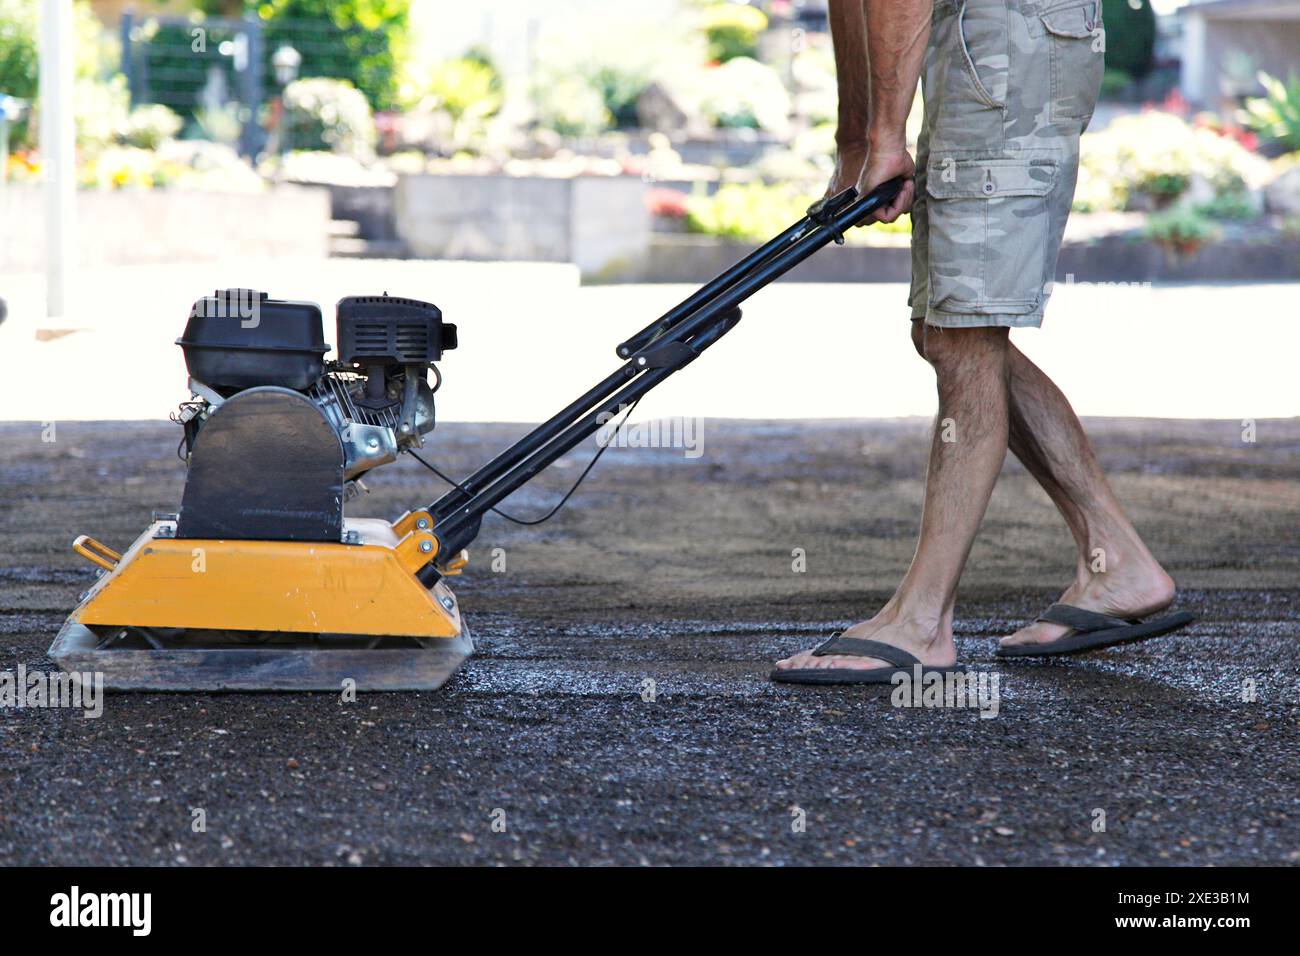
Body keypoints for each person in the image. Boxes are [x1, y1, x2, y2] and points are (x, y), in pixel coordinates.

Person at [772, 0, 1193, 685]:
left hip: (1009, 36)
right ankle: (1116, 559)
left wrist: (884, 134)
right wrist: (859, 141)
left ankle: (923, 622)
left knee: (961, 334)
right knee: (949, 329)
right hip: (968, 37)